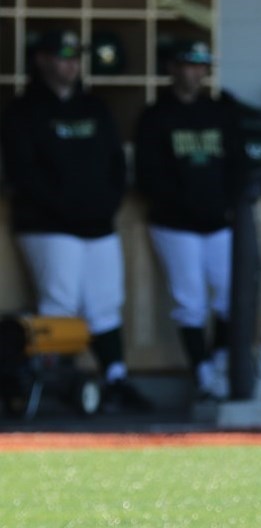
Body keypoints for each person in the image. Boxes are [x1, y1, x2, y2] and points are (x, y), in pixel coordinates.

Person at [0, 29, 151, 412]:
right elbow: (23, 173)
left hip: (97, 223)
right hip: (47, 224)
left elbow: (116, 164)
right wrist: (65, 207)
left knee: (105, 303)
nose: (71, 63)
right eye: (63, 55)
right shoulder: (23, 110)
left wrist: (105, 205)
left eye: (75, 56)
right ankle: (50, 385)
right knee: (60, 301)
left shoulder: (94, 107)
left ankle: (115, 378)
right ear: (42, 59)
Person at [134, 39, 247, 402]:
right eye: (185, 64)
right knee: (190, 301)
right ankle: (202, 371)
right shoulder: (155, 116)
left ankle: (218, 361)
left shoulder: (219, 112)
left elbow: (237, 166)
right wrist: (185, 204)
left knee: (231, 297)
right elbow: (148, 175)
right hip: (174, 224)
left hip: (218, 223)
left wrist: (226, 206)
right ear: (172, 68)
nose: (192, 72)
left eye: (199, 65)